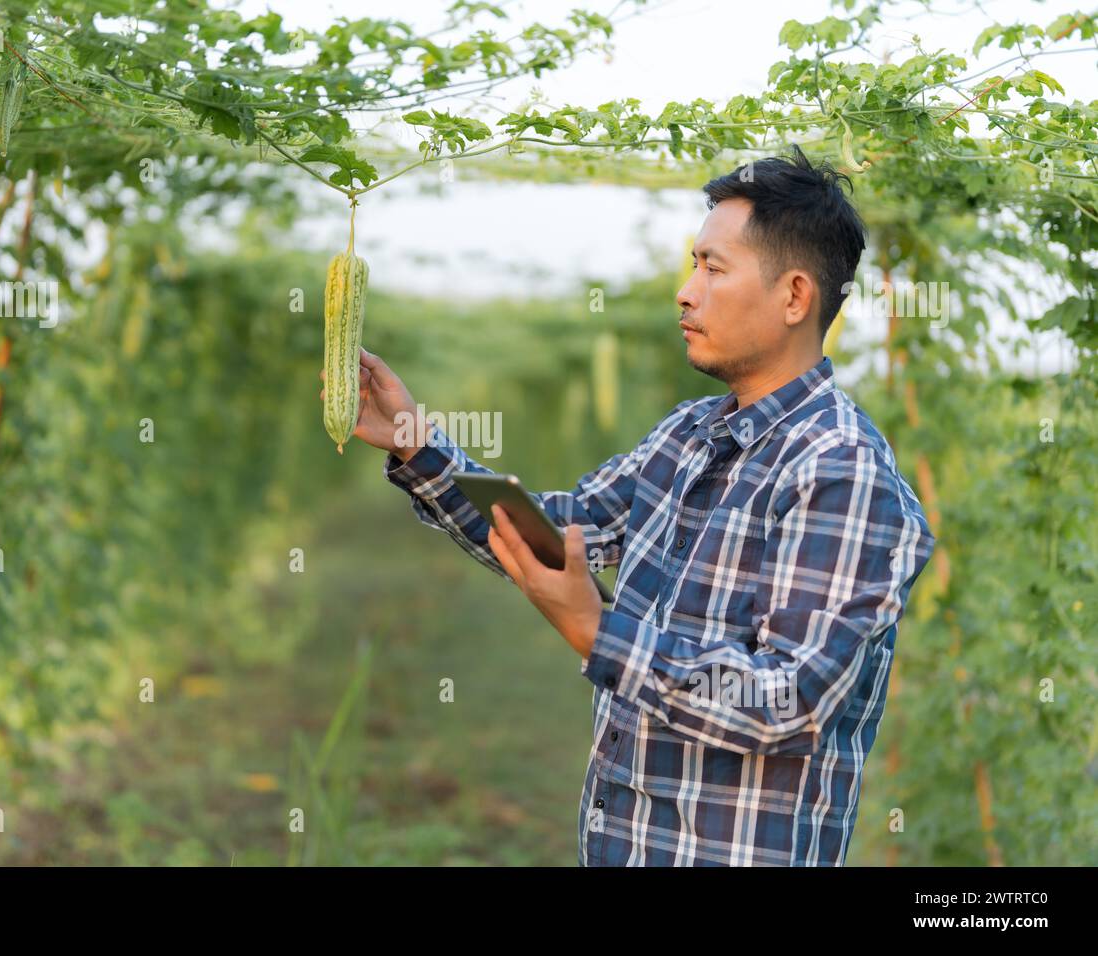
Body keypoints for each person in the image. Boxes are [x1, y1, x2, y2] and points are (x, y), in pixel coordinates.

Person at [321, 145, 936, 866]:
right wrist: (414, 444)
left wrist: (598, 632)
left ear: (794, 296)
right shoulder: (687, 436)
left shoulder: (842, 469)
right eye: (691, 266)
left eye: (712, 267)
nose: (685, 290)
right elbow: (557, 529)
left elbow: (787, 699)